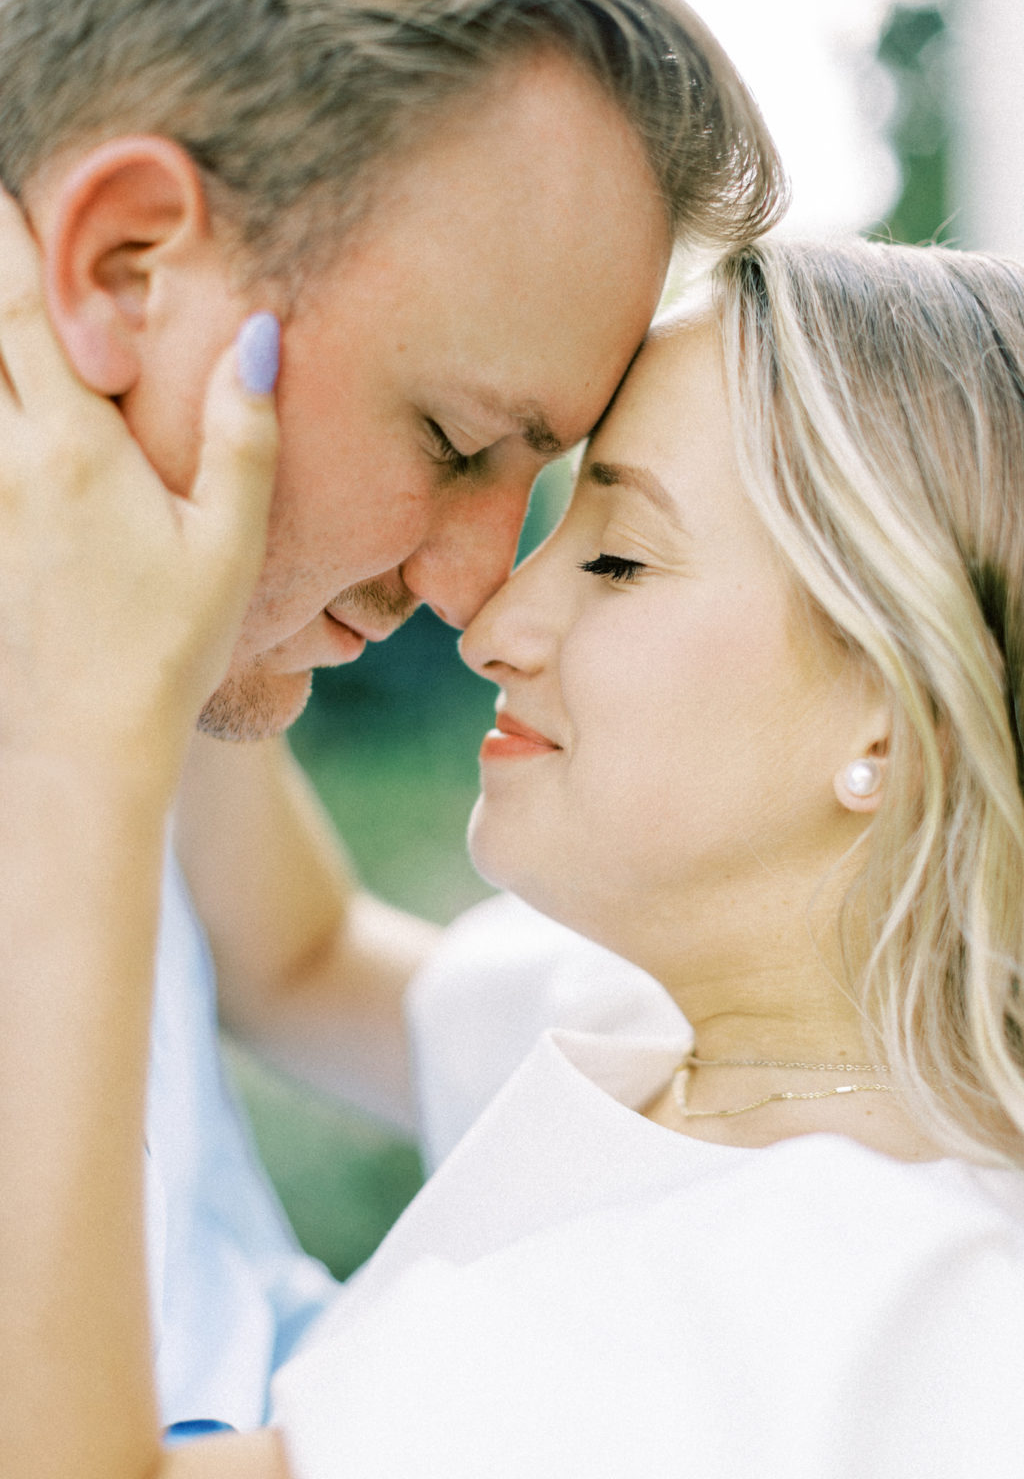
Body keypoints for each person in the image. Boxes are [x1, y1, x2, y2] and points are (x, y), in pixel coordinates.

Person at [10, 209, 1024, 1474]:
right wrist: (213, 552)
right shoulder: (665, 1033)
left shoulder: (823, 1298)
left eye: (614, 559)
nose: (493, 615)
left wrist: (83, 727)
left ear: (902, 706)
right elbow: (300, 959)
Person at [0, 0, 787, 1440]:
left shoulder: (117, 695)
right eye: (450, 438)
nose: (486, 593)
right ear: (123, 263)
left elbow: (289, 953)